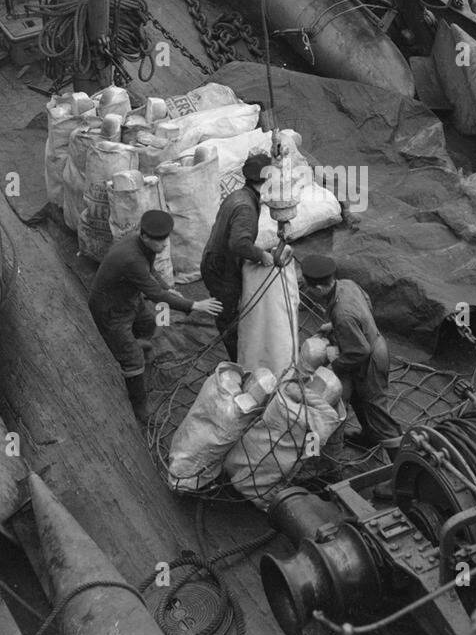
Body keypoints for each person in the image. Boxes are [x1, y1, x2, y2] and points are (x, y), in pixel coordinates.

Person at [89, 209, 221, 422]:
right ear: (144, 236)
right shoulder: (131, 257)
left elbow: (151, 272)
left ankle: (140, 348)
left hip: (129, 299)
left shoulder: (142, 246)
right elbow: (155, 294)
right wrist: (194, 304)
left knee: (148, 324)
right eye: (159, 241)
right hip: (110, 311)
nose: (164, 244)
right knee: (131, 360)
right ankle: (140, 408)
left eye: (166, 238)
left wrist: (168, 288)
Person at [301, 254, 403, 450]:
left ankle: (402, 462)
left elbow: (360, 352)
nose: (309, 291)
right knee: (358, 399)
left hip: (371, 360)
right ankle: (369, 438)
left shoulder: (342, 313)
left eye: (310, 288)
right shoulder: (346, 284)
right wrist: (336, 327)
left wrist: (335, 362)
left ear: (320, 288)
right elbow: (366, 303)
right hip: (371, 343)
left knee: (377, 411)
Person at [200, 152, 289, 361]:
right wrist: (260, 255)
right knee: (228, 319)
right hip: (220, 269)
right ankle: (239, 363)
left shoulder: (240, 195)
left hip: (219, 260)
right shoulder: (246, 207)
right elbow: (238, 243)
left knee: (231, 309)